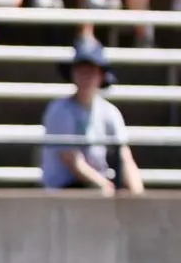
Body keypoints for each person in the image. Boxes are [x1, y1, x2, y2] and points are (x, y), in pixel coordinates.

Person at [40, 39, 143, 195]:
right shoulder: (59, 110)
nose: (85, 77)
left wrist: (138, 195)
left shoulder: (109, 112)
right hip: (65, 192)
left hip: (98, 188)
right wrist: (105, 187)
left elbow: (124, 156)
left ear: (101, 76)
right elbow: (71, 160)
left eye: (91, 71)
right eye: (81, 70)